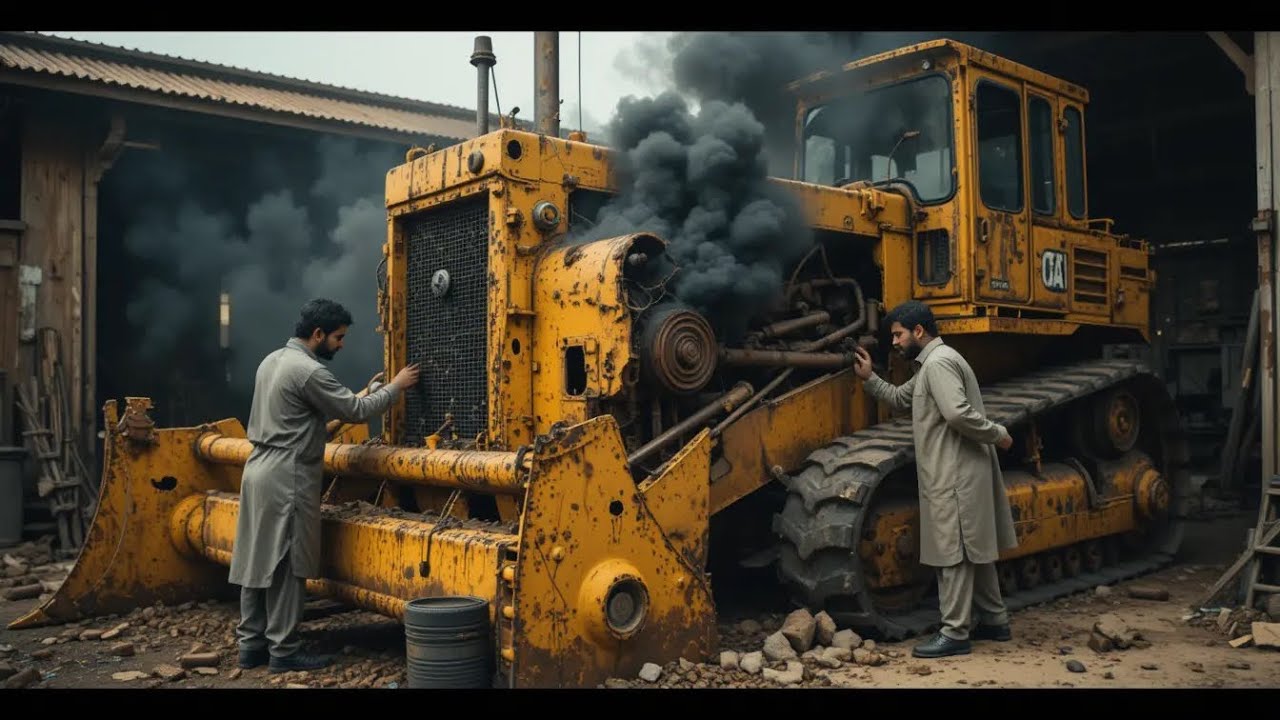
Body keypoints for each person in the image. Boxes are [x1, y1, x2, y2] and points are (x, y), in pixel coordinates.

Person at [228, 298, 420, 673]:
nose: (341, 344)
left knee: (256, 558)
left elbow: (310, 416)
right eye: (338, 337)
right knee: (287, 564)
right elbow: (356, 412)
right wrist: (396, 387)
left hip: (258, 469)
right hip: (289, 474)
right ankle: (284, 652)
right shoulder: (310, 372)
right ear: (318, 334)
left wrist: (364, 392)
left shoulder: (273, 361)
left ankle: (250, 646)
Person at [851, 300, 1018, 658]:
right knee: (973, 551)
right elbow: (900, 398)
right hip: (955, 468)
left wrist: (997, 433)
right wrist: (870, 379)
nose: (894, 342)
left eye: (898, 335)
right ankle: (994, 620)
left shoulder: (939, 364)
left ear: (919, 332)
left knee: (952, 551)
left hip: (953, 471)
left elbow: (957, 415)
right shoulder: (930, 366)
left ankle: (955, 633)